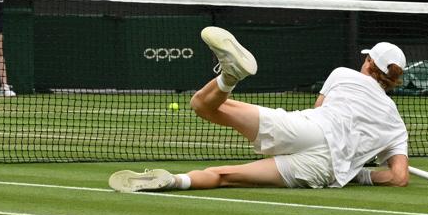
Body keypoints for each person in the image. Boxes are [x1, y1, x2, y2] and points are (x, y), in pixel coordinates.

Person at [108, 29, 409, 192]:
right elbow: (398, 178)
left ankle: (228, 77)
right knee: (223, 176)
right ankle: (175, 181)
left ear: (369, 63)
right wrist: (359, 174)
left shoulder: (344, 74)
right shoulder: (396, 125)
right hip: (326, 171)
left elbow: (321, 109)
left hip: (310, 129)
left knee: (202, 106)